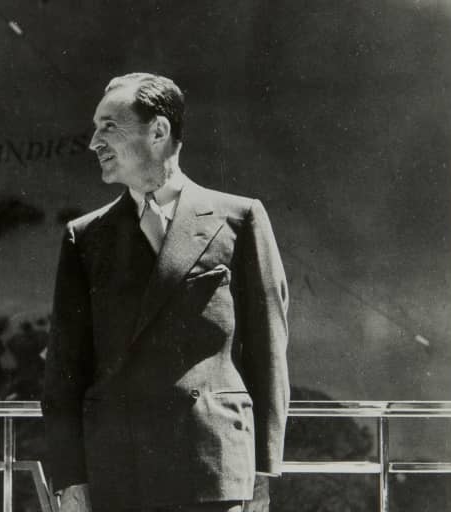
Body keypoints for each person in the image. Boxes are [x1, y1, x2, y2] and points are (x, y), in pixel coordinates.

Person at [42, 73, 289, 512]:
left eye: (109, 126)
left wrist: (264, 472)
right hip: (118, 474)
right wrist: (70, 478)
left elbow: (269, 351)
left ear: (158, 131)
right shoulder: (86, 237)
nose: (93, 142)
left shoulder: (240, 219)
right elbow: (65, 369)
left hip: (212, 471)